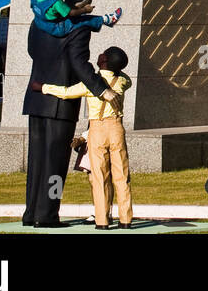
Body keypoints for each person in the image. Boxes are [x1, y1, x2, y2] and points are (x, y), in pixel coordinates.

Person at [21, 0, 113, 228]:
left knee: (37, 160)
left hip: (36, 97)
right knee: (56, 164)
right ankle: (47, 215)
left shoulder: (39, 21)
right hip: (60, 104)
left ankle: (31, 214)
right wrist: (101, 89)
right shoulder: (78, 28)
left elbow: (31, 51)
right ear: (83, 3)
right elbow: (80, 64)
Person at [33, 46, 133, 230]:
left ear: (103, 60)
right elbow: (127, 79)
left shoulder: (90, 84)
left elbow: (65, 92)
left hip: (97, 128)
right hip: (117, 127)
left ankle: (102, 220)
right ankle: (125, 219)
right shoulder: (122, 82)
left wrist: (42, 87)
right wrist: (116, 70)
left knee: (99, 176)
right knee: (122, 175)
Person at [31, 0, 121, 38]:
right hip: (58, 28)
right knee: (84, 21)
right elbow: (71, 13)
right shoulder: (55, 1)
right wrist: (85, 10)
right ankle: (106, 20)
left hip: (42, 23)